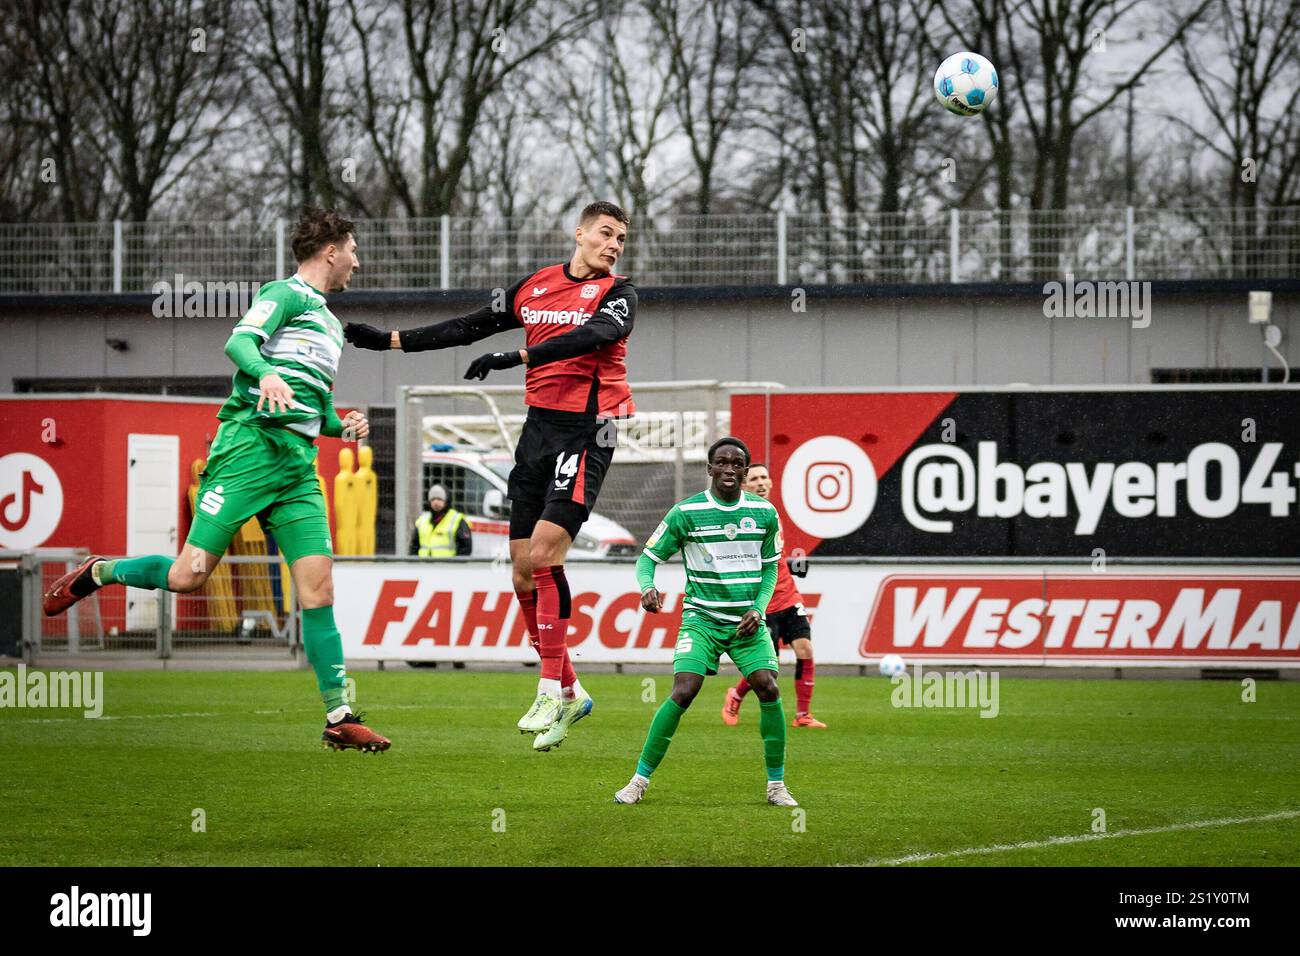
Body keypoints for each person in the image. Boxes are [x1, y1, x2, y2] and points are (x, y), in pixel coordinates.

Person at [41, 207, 391, 753]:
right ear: (330, 251)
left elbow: (311, 407)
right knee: (189, 576)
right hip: (247, 452)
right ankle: (101, 571)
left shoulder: (329, 325)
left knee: (318, 590)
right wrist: (266, 371)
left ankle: (339, 716)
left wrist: (340, 424)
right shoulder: (287, 294)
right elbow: (240, 344)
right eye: (352, 248)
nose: (356, 259)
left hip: (296, 468)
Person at [343, 200, 636, 753]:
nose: (614, 244)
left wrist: (517, 356)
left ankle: (550, 686)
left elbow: (591, 337)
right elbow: (468, 326)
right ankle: (572, 689)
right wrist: (391, 341)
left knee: (547, 555)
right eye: (606, 233)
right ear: (578, 232)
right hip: (538, 433)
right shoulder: (536, 285)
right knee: (523, 574)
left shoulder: (619, 295)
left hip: (589, 431)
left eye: (621, 238)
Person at [613, 437, 798, 807]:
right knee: (684, 690)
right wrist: (647, 586)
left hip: (747, 622)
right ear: (709, 468)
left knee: (768, 687)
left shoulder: (764, 513)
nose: (729, 469)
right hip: (702, 620)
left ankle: (776, 786)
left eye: (737, 464)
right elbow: (647, 558)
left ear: (745, 472)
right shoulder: (686, 512)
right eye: (722, 462)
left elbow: (769, 572)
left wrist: (759, 609)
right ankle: (638, 781)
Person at [723, 463, 826, 728]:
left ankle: (803, 715)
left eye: (764, 477)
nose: (761, 482)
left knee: (805, 649)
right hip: (762, 600)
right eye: (754, 478)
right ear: (744, 485)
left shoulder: (771, 513)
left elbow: (772, 556)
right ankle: (735, 695)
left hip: (788, 595)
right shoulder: (741, 516)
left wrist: (791, 565)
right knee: (769, 667)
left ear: (771, 482)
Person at [411, 484, 472, 557]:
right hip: (424, 566)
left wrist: (456, 566)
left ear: (446, 501)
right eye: (433, 499)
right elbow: (414, 547)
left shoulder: (457, 520)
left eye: (439, 499)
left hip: (447, 567)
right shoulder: (422, 521)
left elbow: (465, 548)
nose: (436, 502)